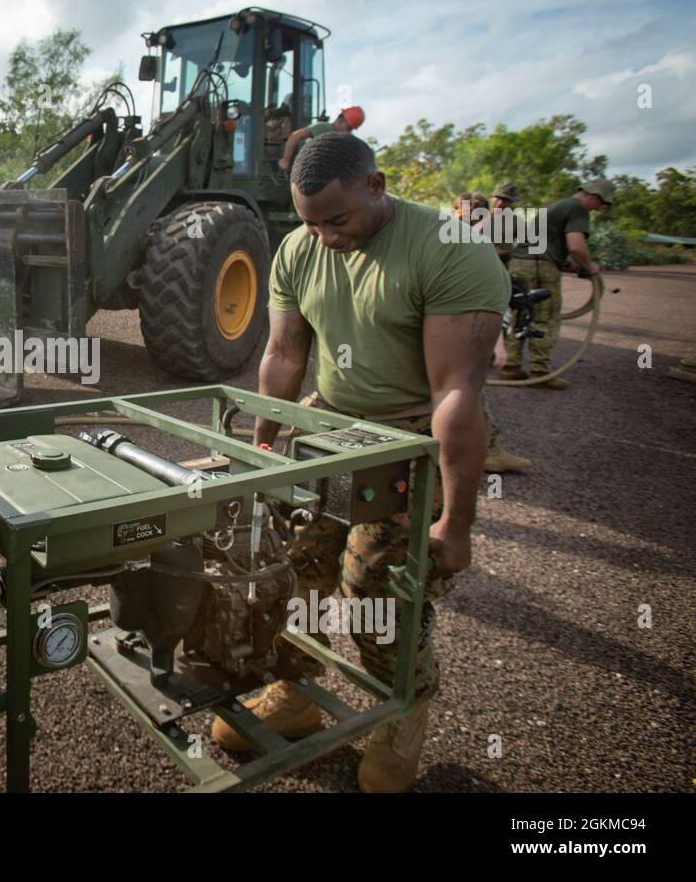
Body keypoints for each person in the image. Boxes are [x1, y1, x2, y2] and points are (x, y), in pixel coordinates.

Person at [210, 132, 510, 792]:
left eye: (337, 221)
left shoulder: (448, 248)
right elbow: (285, 358)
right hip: (332, 428)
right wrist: (261, 455)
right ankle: (297, 693)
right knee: (291, 567)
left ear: (376, 187)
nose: (322, 238)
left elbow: (456, 393)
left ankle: (402, 706)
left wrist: (456, 525)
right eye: (309, 222)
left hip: (409, 438)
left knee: (374, 586)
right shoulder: (299, 246)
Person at [501, 179, 612, 388]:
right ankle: (539, 371)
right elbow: (577, 247)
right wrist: (590, 267)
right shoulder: (577, 209)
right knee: (545, 317)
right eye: (601, 204)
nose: (599, 208)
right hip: (540, 267)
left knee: (520, 314)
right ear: (594, 196)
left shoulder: (556, 206)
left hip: (519, 263)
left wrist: (565, 263)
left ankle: (511, 367)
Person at [452, 193, 532, 473]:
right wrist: (497, 345)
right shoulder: (475, 251)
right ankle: (486, 451)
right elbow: (481, 304)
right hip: (453, 330)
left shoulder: (451, 238)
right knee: (467, 387)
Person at [278, 105, 365, 173]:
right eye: (349, 128)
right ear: (340, 121)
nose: (349, 133)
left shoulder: (345, 140)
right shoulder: (323, 128)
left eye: (351, 130)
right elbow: (295, 135)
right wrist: (285, 160)